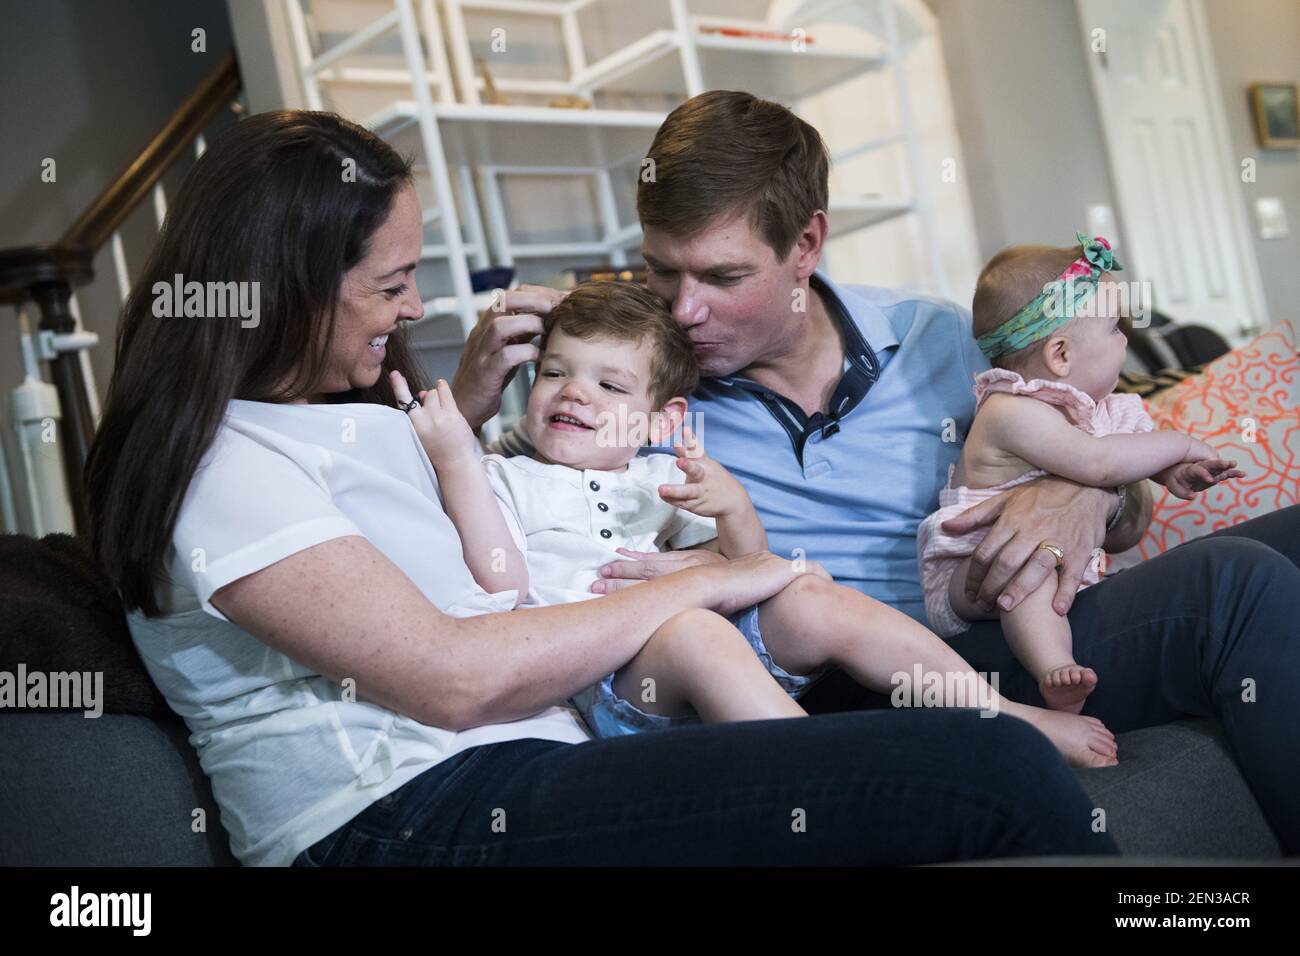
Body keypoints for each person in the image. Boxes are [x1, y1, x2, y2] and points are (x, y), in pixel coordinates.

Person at [83, 109, 1113, 867]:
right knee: (987, 770)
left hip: (532, 755)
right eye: (391, 283)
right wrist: (702, 583)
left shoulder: (346, 410)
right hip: (400, 815)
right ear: (292, 285)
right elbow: (448, 676)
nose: (411, 307)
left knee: (970, 750)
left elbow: (478, 526)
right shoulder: (220, 464)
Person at [463, 91, 1300, 852]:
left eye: (721, 276)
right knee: (1238, 579)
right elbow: (491, 512)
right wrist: (468, 400)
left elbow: (1126, 486)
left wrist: (1085, 489)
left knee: (1259, 566)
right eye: (661, 269)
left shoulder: (939, 339)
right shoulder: (638, 391)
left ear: (807, 244)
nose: (684, 310)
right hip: (835, 687)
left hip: (1012, 631)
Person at [401, 281, 1117, 764]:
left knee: (807, 595)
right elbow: (504, 584)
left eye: (608, 383)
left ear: (661, 419)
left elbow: (751, 569)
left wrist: (736, 513)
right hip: (608, 686)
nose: (575, 394)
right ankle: (831, 784)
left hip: (716, 653)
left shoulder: (664, 479)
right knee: (695, 632)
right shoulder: (505, 476)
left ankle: (1006, 716)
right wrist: (458, 461)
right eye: (555, 374)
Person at [917, 235, 1245, 713]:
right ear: (1061, 355)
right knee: (1031, 572)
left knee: (1052, 568)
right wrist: (1181, 442)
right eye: (1114, 328)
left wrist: (1175, 469)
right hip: (971, 568)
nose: (1126, 339)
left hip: (1049, 557)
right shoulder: (1010, 410)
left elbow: (1128, 458)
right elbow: (1098, 463)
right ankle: (1053, 668)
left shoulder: (1104, 409)